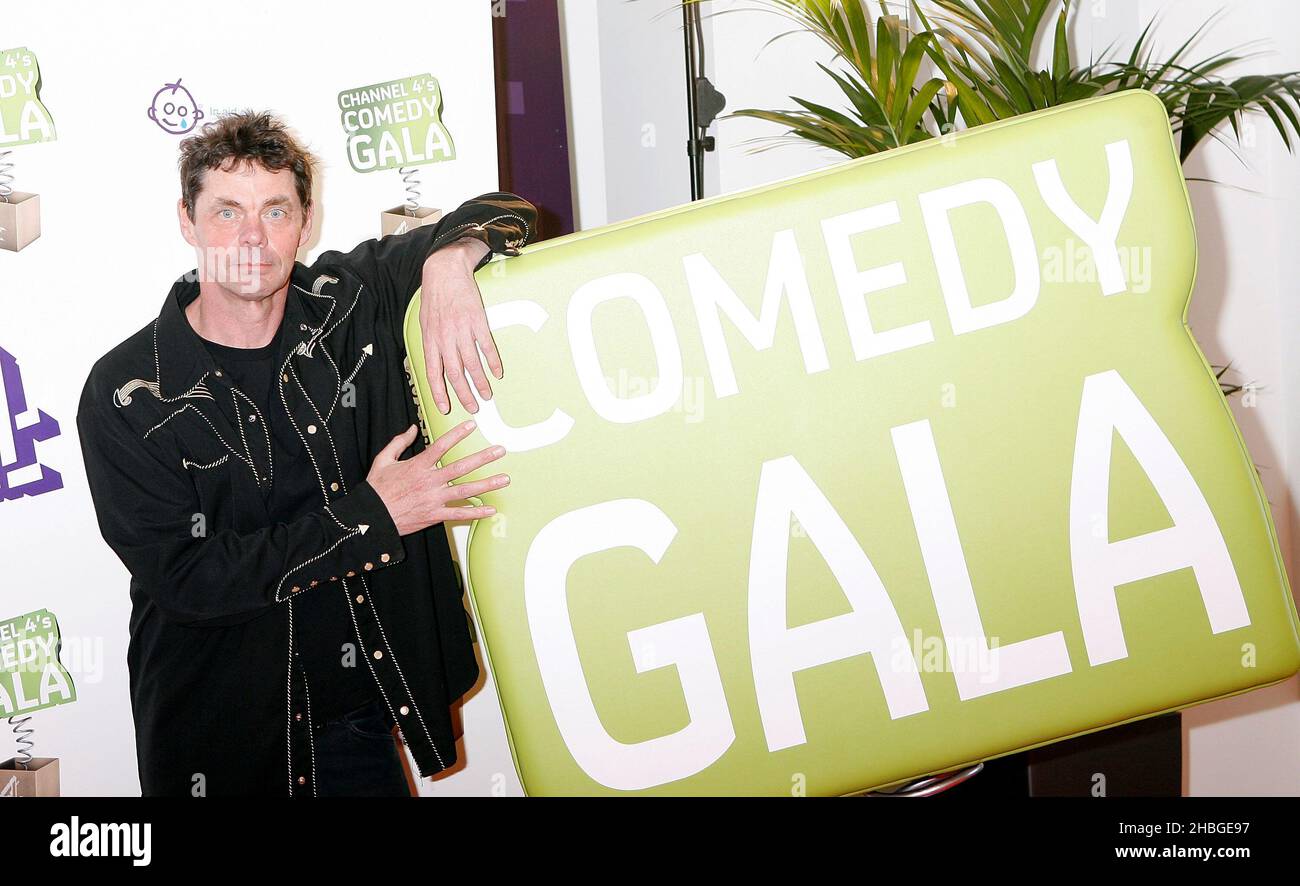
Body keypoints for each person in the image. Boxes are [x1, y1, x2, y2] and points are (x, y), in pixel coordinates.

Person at [76, 110, 537, 796]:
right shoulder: (129, 393)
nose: (253, 238)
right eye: (227, 212)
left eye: (276, 210)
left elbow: (510, 211)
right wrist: (370, 517)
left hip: (354, 726)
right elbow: (189, 578)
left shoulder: (350, 301)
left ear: (306, 220)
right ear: (187, 220)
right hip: (220, 741)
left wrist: (446, 261)